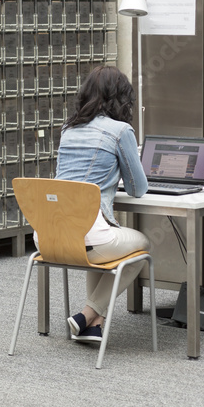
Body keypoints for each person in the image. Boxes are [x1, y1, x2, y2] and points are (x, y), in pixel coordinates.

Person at [53, 65, 150, 343]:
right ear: (121, 97)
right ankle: (86, 314)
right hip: (88, 236)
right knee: (141, 249)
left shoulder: (68, 129)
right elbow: (138, 189)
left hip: (50, 237)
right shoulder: (121, 131)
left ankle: (93, 327)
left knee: (99, 245)